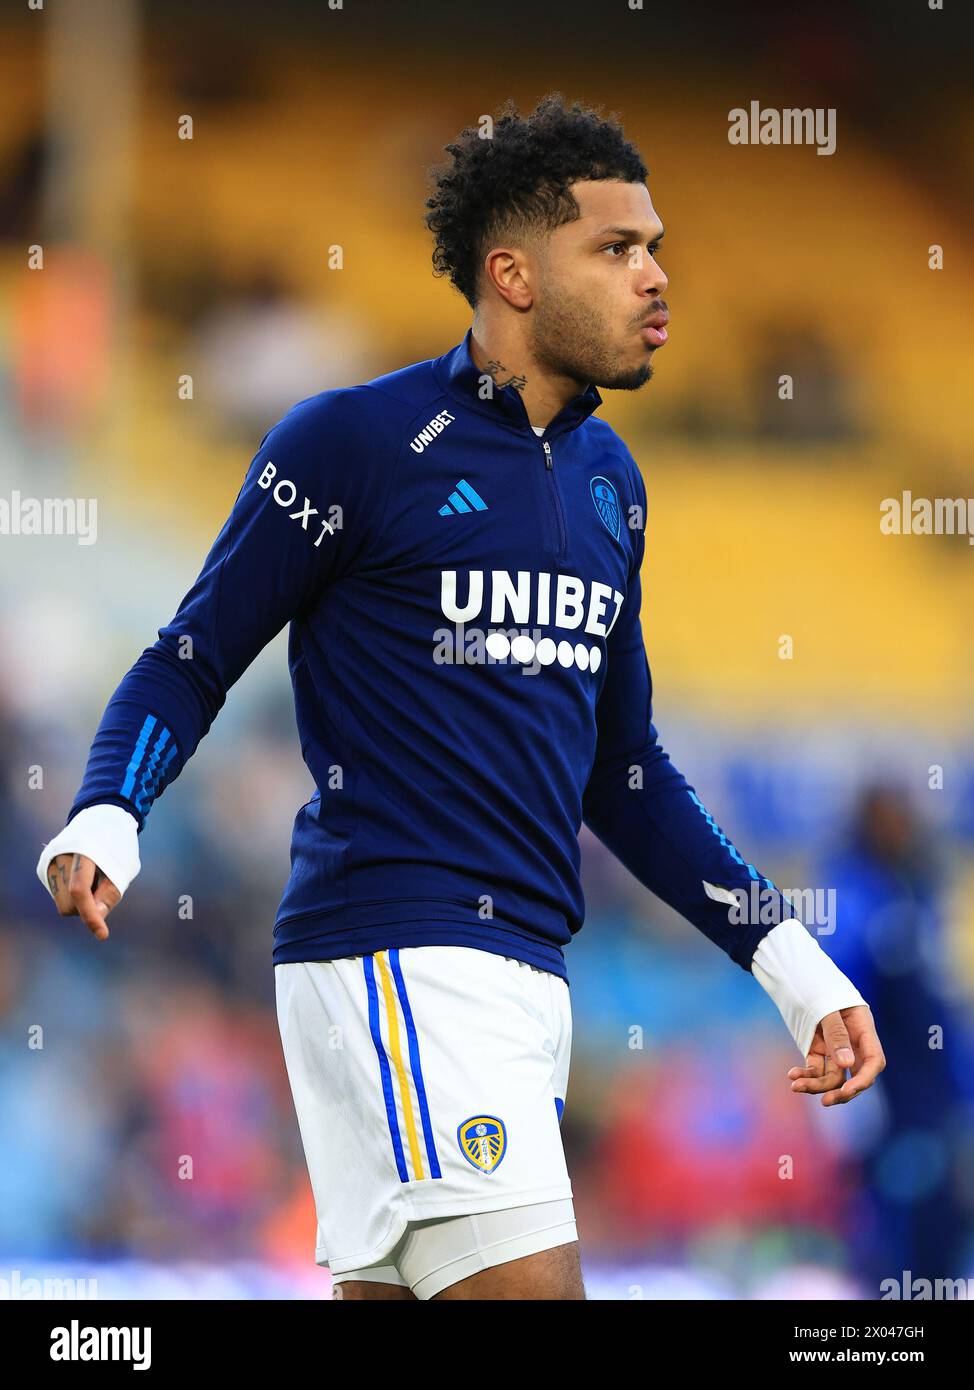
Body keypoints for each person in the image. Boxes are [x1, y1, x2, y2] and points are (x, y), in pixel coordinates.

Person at [36, 93, 885, 1301]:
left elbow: (623, 770)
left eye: (656, 248)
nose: (655, 278)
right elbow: (190, 653)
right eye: (617, 248)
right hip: (403, 948)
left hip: (519, 971)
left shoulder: (610, 485)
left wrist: (790, 963)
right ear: (513, 274)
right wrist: (109, 809)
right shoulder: (354, 441)